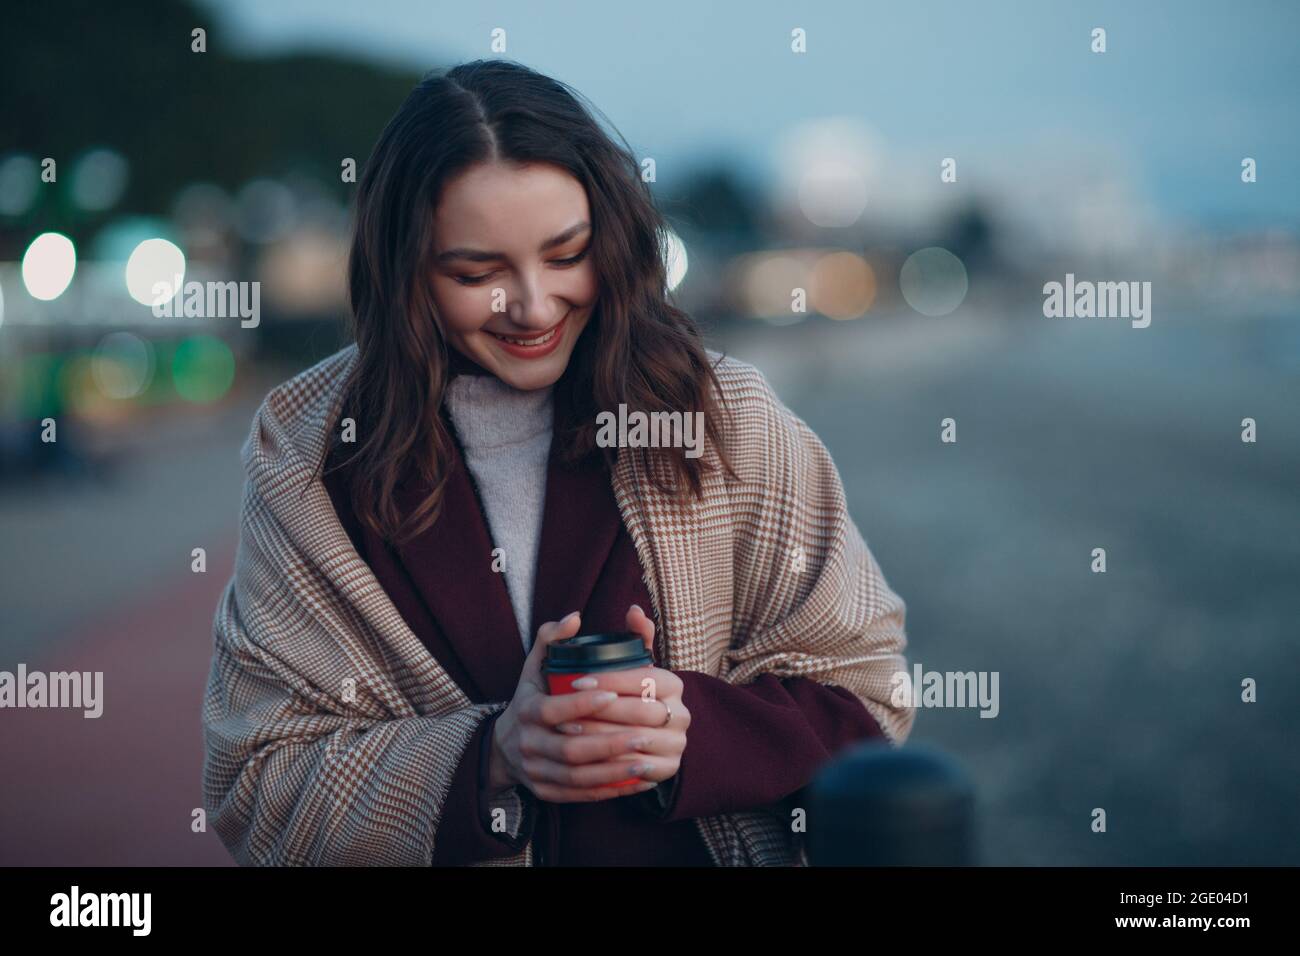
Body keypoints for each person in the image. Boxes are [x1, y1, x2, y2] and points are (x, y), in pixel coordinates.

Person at [201, 59, 914, 866]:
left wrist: (692, 729)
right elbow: (254, 783)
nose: (534, 307)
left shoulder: (725, 420)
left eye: (567, 254)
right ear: (404, 271)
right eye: (476, 273)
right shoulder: (307, 454)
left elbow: (868, 698)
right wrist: (494, 755)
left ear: (610, 235)